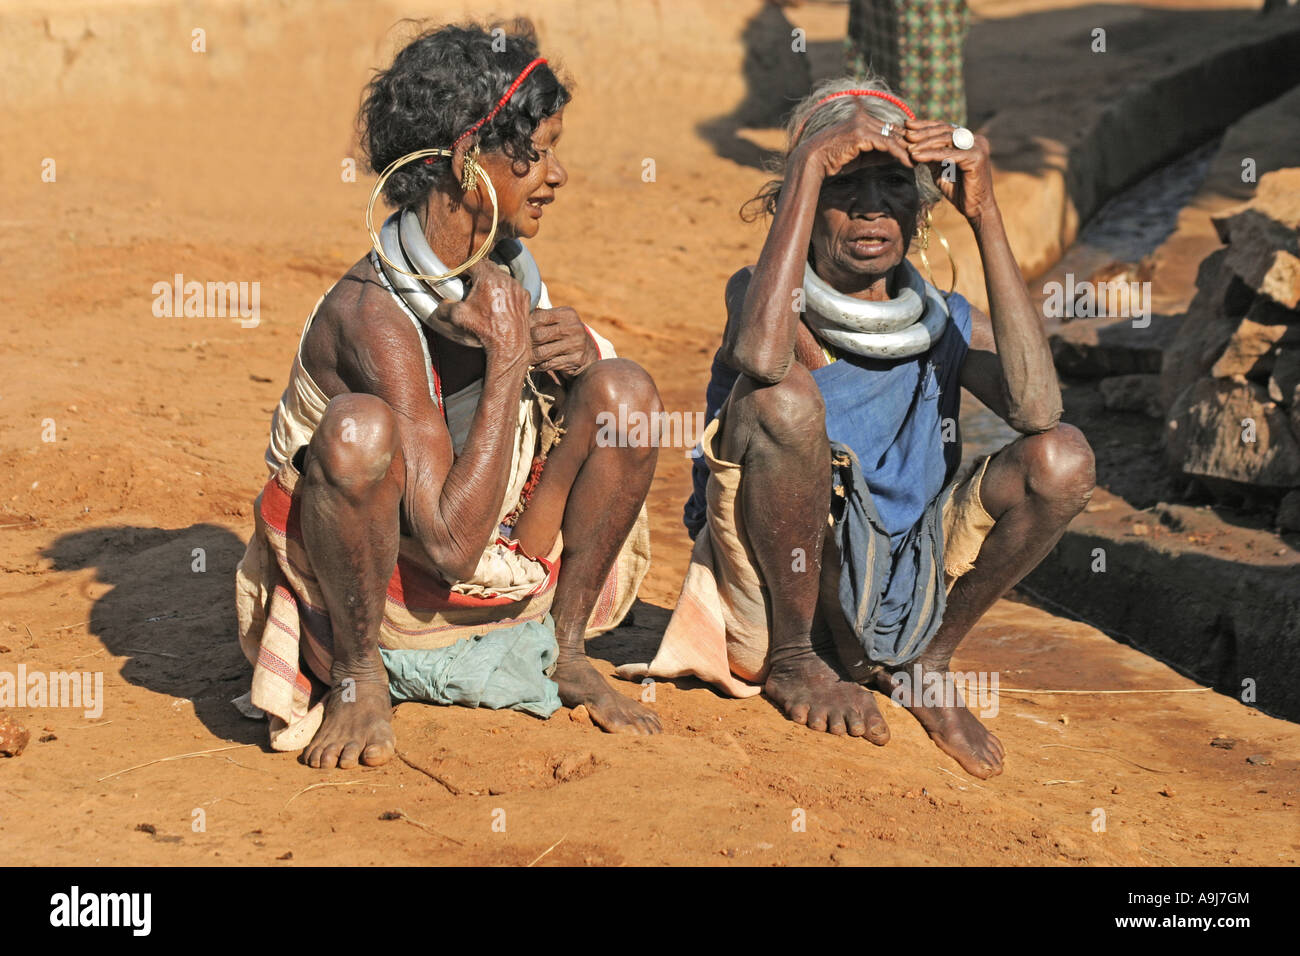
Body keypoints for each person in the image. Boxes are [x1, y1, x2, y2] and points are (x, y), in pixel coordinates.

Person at [622, 76, 1095, 779]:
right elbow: (761, 357)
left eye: (893, 189)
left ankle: (925, 665)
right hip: (775, 594)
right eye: (845, 190)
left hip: (904, 583)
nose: (872, 211)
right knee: (783, 403)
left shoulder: (941, 318)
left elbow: (1036, 411)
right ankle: (794, 663)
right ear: (803, 207)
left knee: (1063, 459)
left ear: (920, 207)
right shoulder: (760, 299)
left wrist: (986, 211)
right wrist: (809, 165)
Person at [235, 21, 664, 771]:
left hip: (505, 571)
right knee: (358, 432)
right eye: (537, 152)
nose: (556, 174)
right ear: (468, 159)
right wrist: (507, 358)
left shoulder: (508, 267)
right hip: (390, 592)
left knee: (624, 389)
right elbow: (451, 545)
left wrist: (565, 358)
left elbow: (530, 431)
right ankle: (360, 677)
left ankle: (563, 648)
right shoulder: (370, 315)